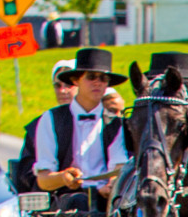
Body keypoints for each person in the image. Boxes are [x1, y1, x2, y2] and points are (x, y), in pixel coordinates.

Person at [24, 46, 129, 194]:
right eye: (91, 77)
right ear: (76, 80)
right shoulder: (51, 119)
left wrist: (111, 186)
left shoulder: (115, 124)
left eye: (103, 78)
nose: (97, 83)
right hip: (64, 202)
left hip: (104, 201)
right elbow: (43, 180)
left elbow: (118, 166)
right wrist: (63, 178)